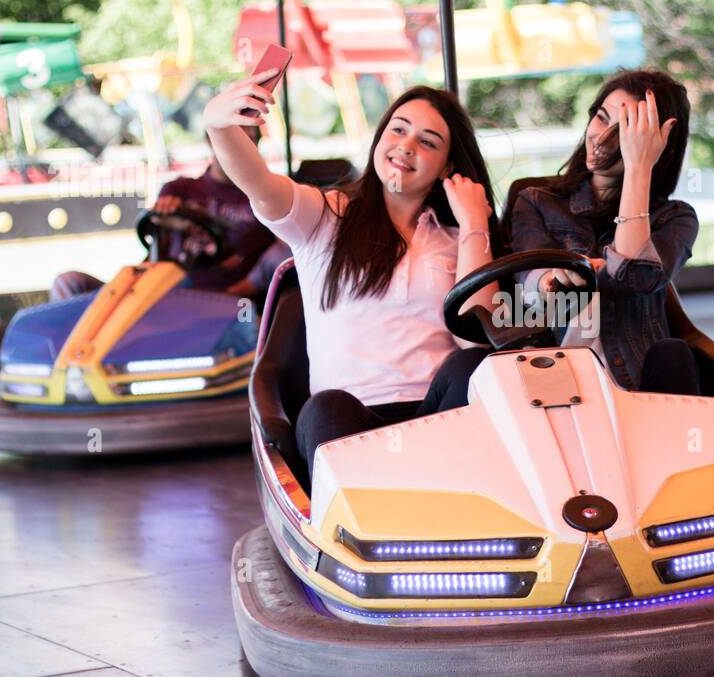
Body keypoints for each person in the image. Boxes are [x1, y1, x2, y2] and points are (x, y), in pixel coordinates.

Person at [203, 72, 499, 471]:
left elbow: (474, 336)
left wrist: (474, 224)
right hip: (348, 419)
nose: (406, 146)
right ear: (379, 139)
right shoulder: (325, 216)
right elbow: (258, 184)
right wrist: (219, 125)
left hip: (437, 416)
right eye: (398, 130)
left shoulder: (455, 238)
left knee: (474, 367)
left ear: (447, 167)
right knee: (326, 407)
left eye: (427, 142)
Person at [507, 69, 701, 395]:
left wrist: (639, 165)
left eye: (624, 130)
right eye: (600, 117)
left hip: (638, 383)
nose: (600, 137)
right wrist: (551, 278)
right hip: (554, 378)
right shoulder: (537, 200)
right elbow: (530, 281)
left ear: (658, 146)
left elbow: (634, 277)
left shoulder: (675, 218)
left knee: (673, 354)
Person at [50, 125, 277, 300]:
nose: (239, 150)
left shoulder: (266, 195)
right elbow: (155, 225)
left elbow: (281, 252)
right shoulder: (180, 189)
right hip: (158, 289)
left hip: (224, 297)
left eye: (249, 141)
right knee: (69, 282)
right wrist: (168, 219)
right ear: (212, 140)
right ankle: (72, 358)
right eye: (233, 141)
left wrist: (240, 290)